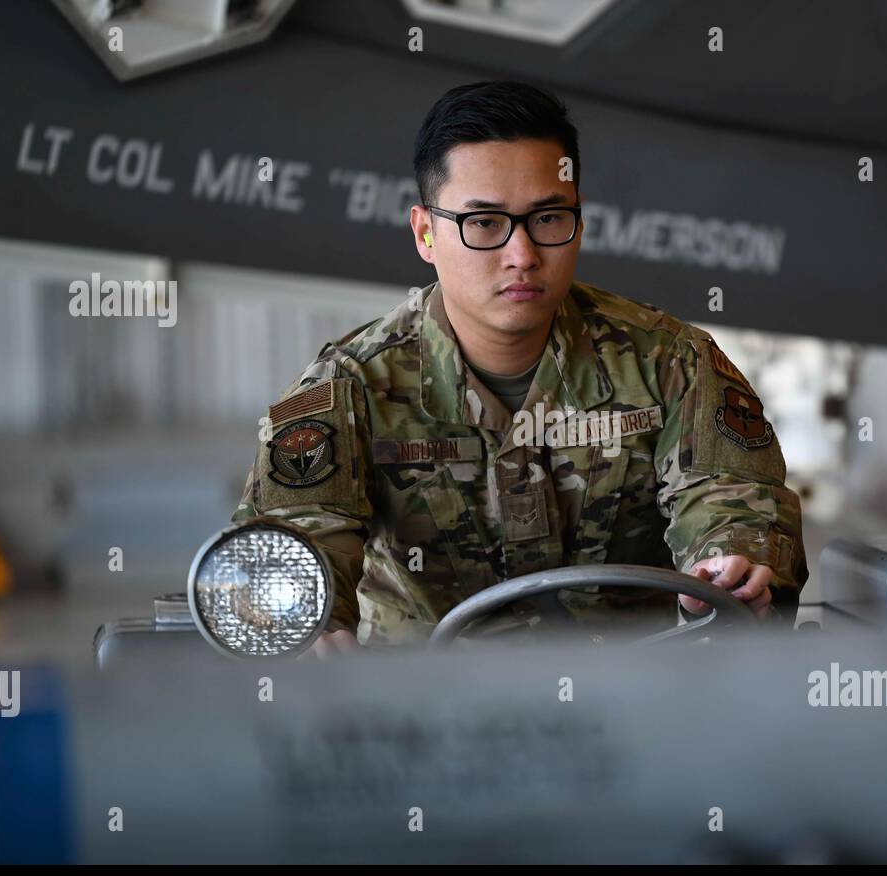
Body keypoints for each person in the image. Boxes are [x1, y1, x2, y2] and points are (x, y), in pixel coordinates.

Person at [232, 80, 807, 653]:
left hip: (633, 702)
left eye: (549, 218)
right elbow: (296, 544)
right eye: (484, 223)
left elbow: (730, 496)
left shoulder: (671, 361)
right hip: (421, 711)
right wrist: (308, 629)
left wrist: (734, 562)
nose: (523, 255)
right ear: (426, 233)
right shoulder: (351, 387)